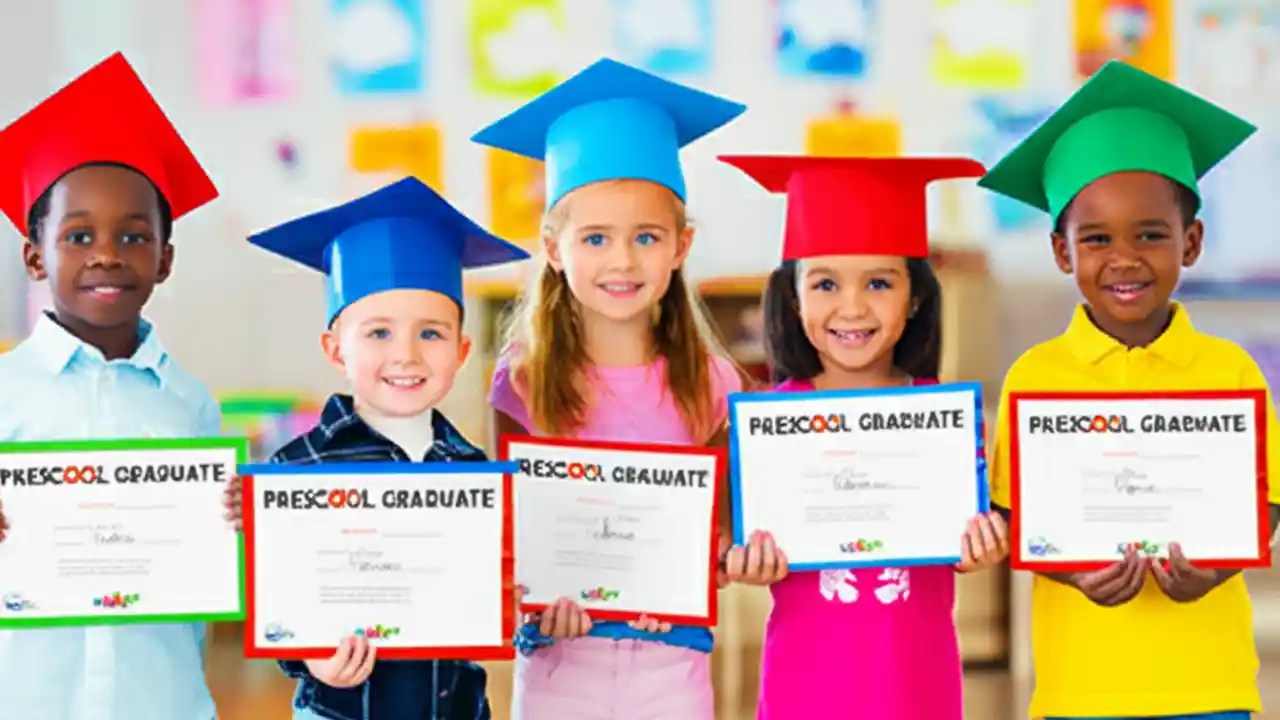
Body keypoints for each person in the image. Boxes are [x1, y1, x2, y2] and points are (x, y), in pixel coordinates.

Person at [979, 59, 1280, 720]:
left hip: (1209, 680)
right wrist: (1071, 571)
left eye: (1151, 235)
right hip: (1081, 685)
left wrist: (1217, 568)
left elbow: (1267, 502)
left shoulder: (1231, 371)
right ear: (1063, 253)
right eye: (1095, 239)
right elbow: (1014, 517)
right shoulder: (1036, 375)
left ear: (1191, 242)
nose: (1125, 258)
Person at [471, 57, 745, 719]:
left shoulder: (711, 383)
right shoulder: (523, 381)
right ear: (554, 247)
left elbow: (722, 537)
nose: (622, 261)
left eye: (646, 237)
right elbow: (505, 531)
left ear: (681, 246)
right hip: (561, 670)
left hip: (673, 672)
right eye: (596, 237)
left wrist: (708, 566)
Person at [717, 154, 1009, 719]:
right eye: (825, 283)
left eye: (879, 282)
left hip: (916, 688)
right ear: (794, 296)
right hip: (805, 688)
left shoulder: (944, 426)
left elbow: (961, 538)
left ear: (916, 296)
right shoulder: (768, 430)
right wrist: (740, 563)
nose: (852, 307)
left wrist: (978, 549)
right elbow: (728, 553)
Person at [240, 176, 529, 719]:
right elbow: (280, 599)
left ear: (463, 350)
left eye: (431, 334)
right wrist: (311, 658)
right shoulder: (297, 469)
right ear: (334, 348)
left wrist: (503, 602)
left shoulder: (475, 471)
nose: (407, 355)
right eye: (378, 334)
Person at [0, 52, 228, 719]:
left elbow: (213, 559)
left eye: (134, 235)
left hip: (162, 701)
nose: (107, 253)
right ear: (35, 255)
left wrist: (239, 520)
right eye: (78, 235)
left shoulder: (190, 402)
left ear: (165, 259)